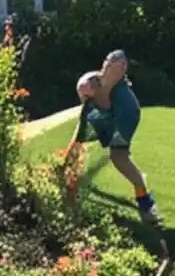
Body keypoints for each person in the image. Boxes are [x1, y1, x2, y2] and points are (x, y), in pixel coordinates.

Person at [66, 50, 161, 223]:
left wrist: (112, 65)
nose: (84, 100)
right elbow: (82, 131)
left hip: (126, 117)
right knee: (79, 140)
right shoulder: (92, 92)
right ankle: (70, 178)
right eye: (82, 96)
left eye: (87, 97)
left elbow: (116, 66)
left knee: (119, 157)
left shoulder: (120, 97)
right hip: (108, 111)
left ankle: (145, 200)